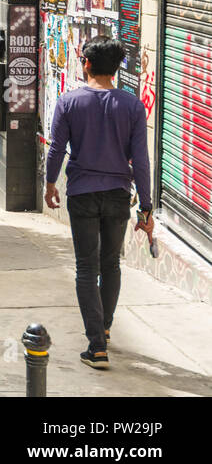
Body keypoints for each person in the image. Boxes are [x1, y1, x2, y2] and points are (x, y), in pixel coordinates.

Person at [45, 36, 154, 370]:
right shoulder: (132, 106)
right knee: (110, 265)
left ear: (87, 63)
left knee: (86, 267)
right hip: (118, 194)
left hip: (82, 194)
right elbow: (141, 160)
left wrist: (50, 184)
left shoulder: (69, 101)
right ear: (116, 68)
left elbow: (56, 148)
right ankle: (103, 329)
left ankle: (96, 346)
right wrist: (146, 206)